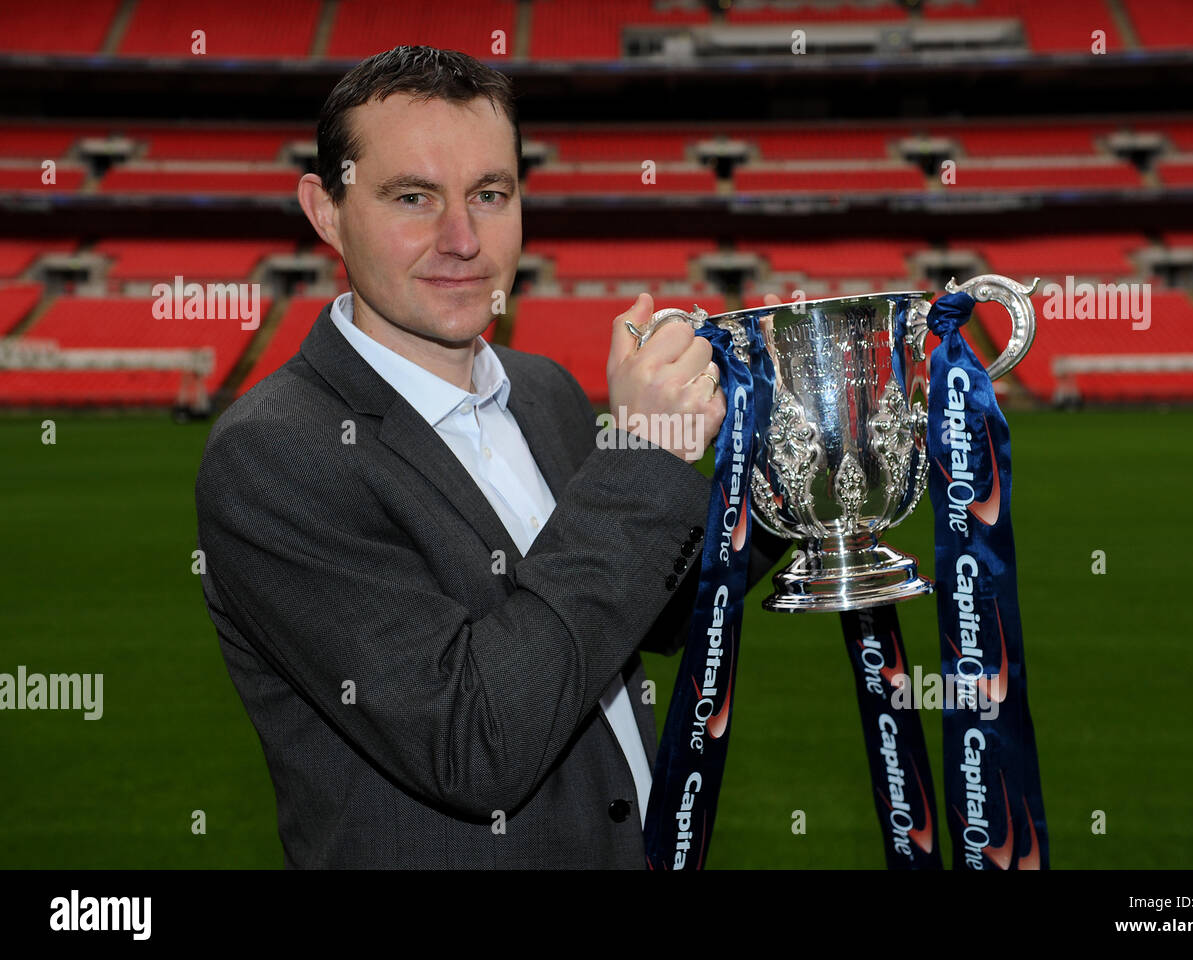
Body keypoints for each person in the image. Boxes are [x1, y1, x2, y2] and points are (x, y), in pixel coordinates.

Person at [194, 45, 786, 869]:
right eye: (412, 197)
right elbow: (476, 743)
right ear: (326, 210)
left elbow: (641, 609)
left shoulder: (542, 390)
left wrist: (798, 472)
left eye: (490, 194)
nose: (463, 239)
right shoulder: (274, 455)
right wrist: (643, 457)